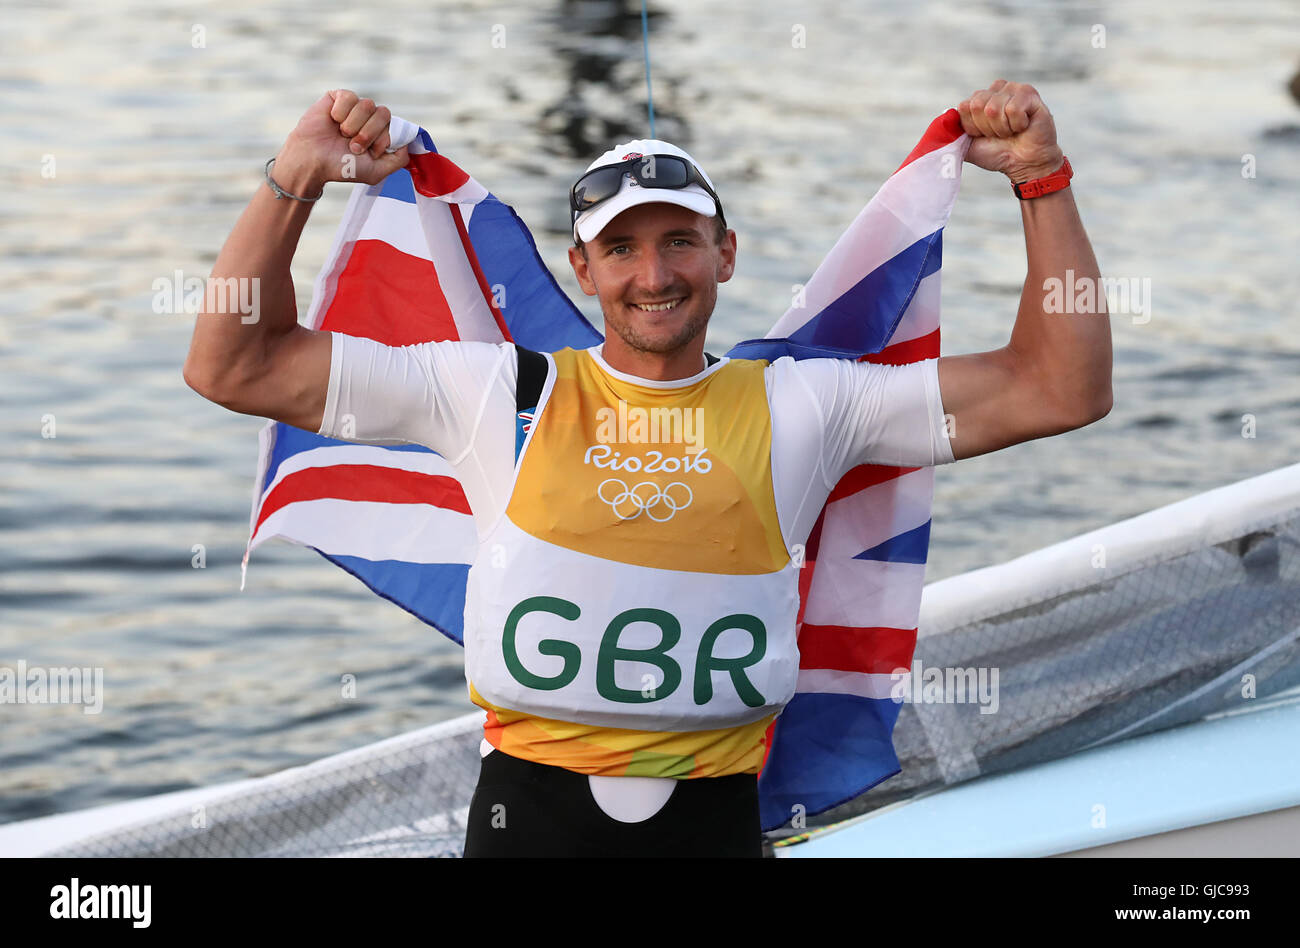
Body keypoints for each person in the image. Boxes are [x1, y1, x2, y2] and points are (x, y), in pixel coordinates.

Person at [183, 81, 1112, 858]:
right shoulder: (494, 393)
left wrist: (1042, 181)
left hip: (712, 826)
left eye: (678, 241)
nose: (653, 273)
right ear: (583, 270)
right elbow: (235, 365)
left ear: (726, 255)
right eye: (621, 248)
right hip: (525, 824)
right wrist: (292, 180)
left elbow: (1057, 388)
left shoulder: (807, 403)